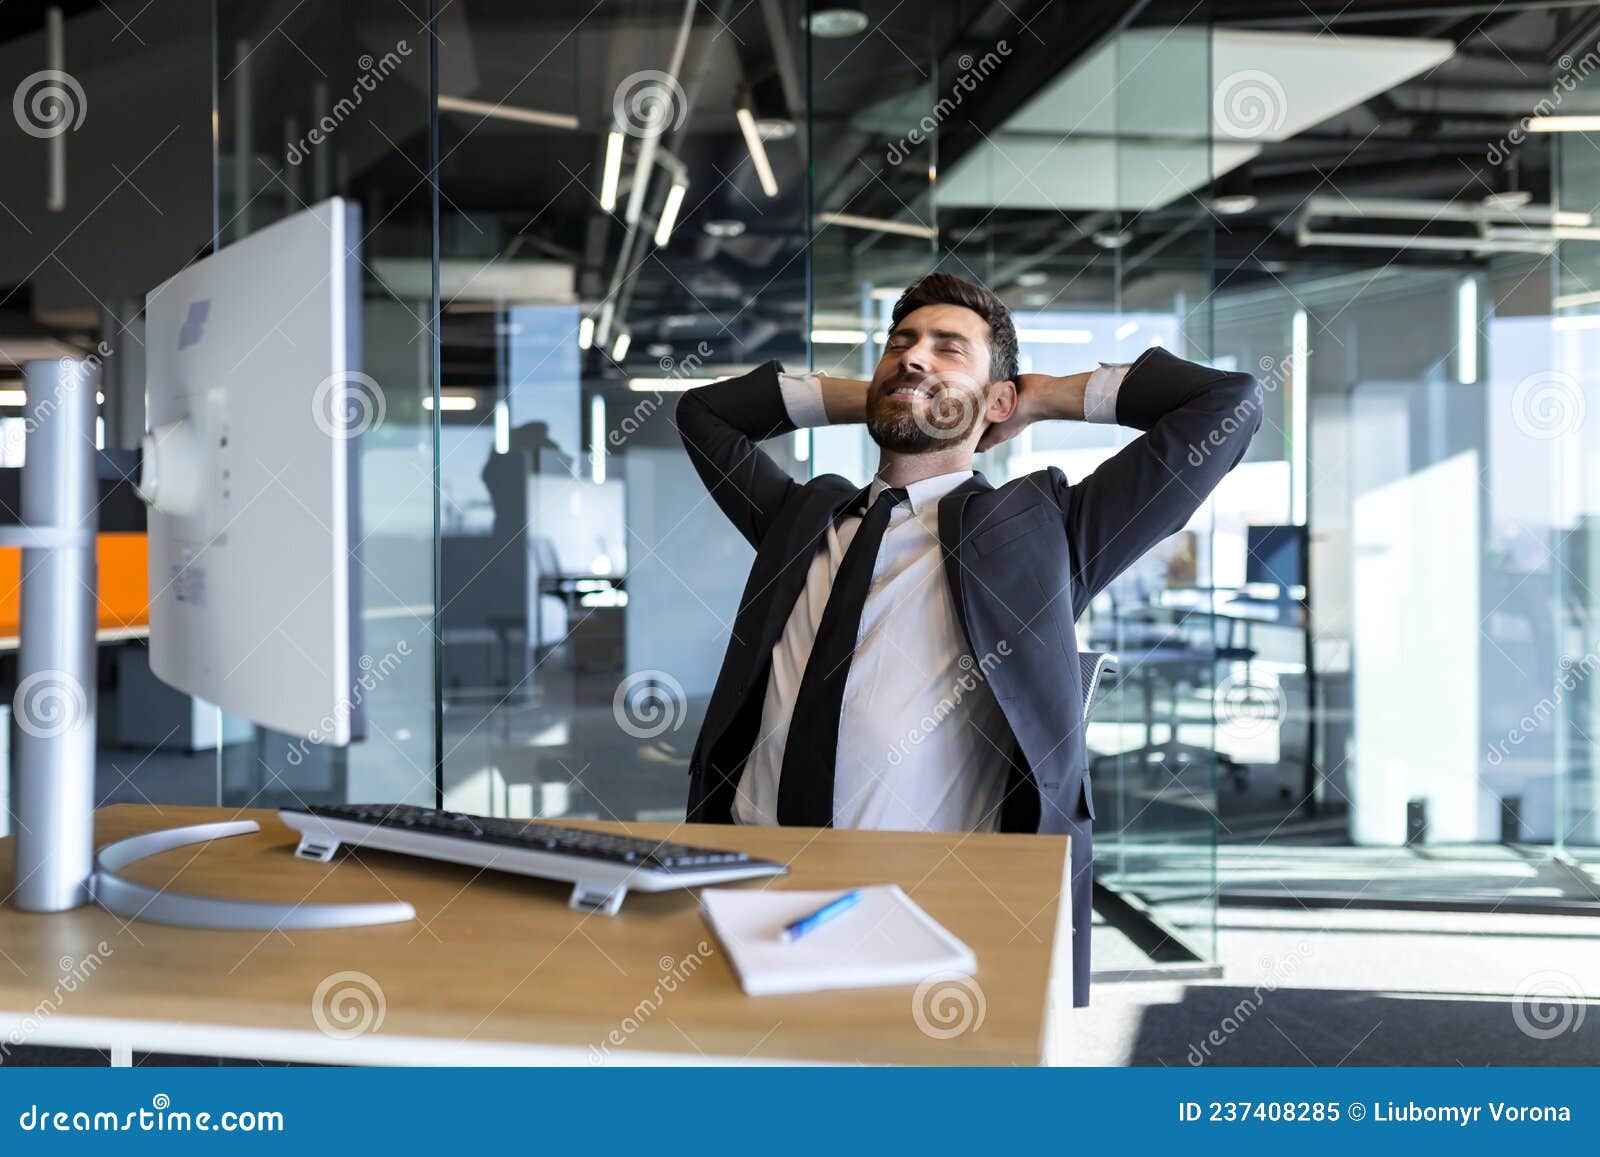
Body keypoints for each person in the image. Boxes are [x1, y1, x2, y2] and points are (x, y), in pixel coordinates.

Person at [675, 272, 1261, 1007]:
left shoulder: (1042, 532)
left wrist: (1037, 396)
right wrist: (889, 393)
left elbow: (1227, 406)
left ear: (1000, 400)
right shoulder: (801, 518)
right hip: (753, 885)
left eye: (948, 348)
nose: (913, 356)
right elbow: (704, 415)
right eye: (900, 345)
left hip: (924, 910)